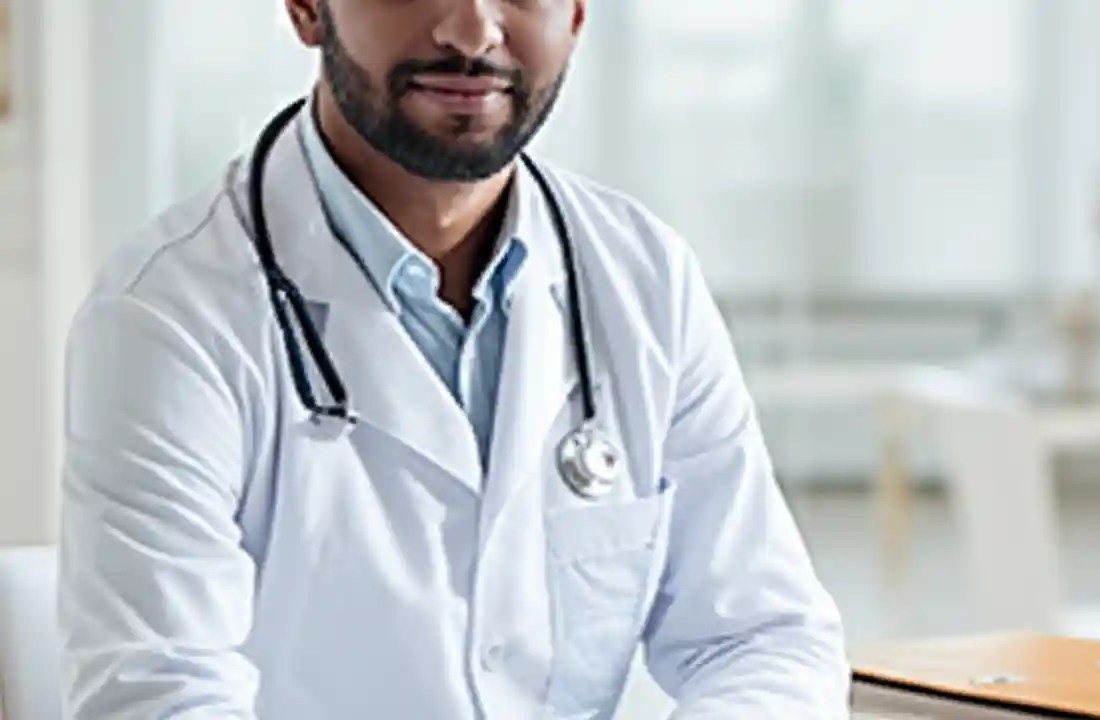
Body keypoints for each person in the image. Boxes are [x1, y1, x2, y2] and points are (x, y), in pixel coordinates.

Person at [57, 1, 848, 718]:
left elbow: (761, 637)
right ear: (305, 9)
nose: (472, 30)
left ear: (577, 13)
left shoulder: (642, 279)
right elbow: (159, 698)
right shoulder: (169, 316)